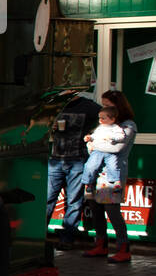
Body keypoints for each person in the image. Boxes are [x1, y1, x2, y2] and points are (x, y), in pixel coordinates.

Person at [82, 90, 139, 263]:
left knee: (112, 210)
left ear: (118, 106)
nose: (104, 108)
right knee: (96, 209)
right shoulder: (103, 124)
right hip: (95, 173)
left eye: (107, 105)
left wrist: (96, 144)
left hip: (111, 175)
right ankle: (101, 244)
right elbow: (89, 146)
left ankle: (123, 247)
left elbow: (117, 149)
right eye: (103, 104)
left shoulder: (127, 125)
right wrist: (97, 144)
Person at [46, 93, 100, 249]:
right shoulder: (54, 104)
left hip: (77, 159)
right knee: (48, 199)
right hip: (56, 158)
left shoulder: (88, 106)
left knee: (74, 201)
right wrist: (51, 126)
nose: (62, 93)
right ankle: (37, 237)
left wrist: (93, 135)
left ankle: (67, 238)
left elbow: (108, 118)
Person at [81, 106, 127, 194]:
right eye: (99, 118)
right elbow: (94, 136)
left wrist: (112, 137)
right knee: (90, 166)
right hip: (97, 150)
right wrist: (89, 137)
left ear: (112, 119)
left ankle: (116, 182)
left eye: (103, 118)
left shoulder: (116, 128)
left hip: (110, 151)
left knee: (113, 166)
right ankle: (88, 182)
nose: (100, 120)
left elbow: (121, 136)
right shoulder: (100, 128)